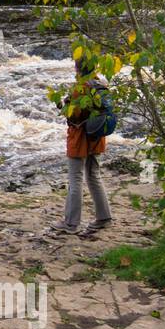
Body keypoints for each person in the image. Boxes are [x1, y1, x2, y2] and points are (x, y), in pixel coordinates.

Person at [52, 55, 113, 236]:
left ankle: (71, 223)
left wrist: (61, 105)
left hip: (80, 139)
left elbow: (73, 115)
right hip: (96, 137)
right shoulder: (101, 84)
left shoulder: (80, 89)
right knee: (94, 176)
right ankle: (104, 218)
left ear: (78, 69)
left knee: (75, 179)